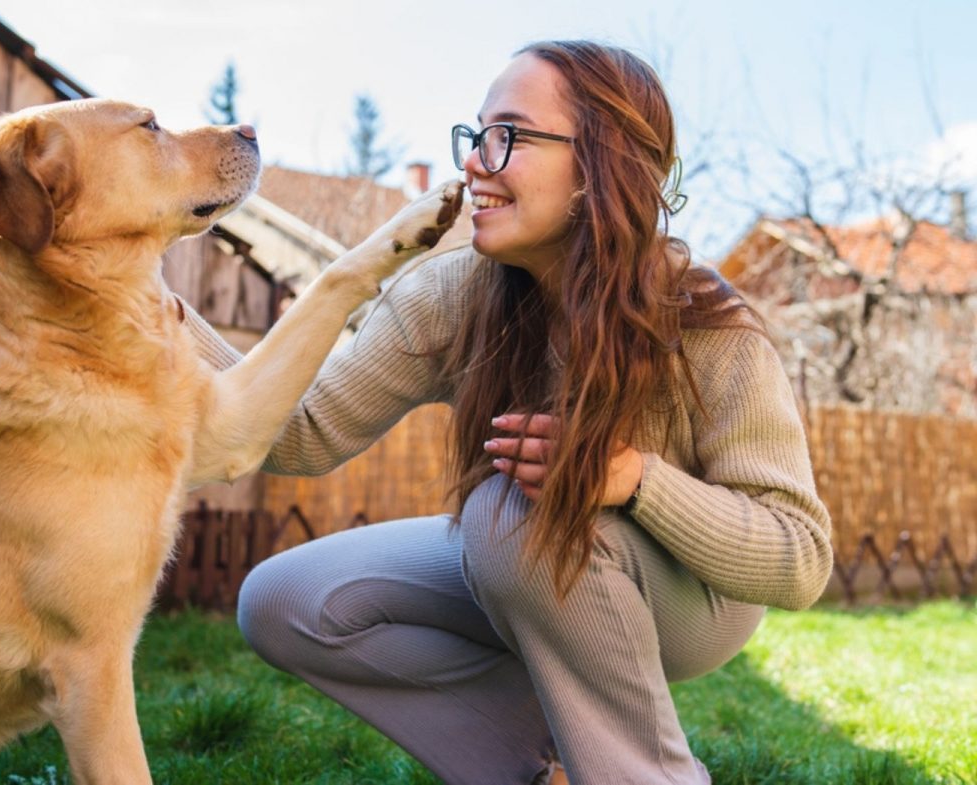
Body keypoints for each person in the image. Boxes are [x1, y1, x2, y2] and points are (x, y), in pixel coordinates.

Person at [186, 40, 833, 784]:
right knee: (287, 600)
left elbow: (800, 556)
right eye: (476, 135)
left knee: (506, 514)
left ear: (599, 168)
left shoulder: (700, 321)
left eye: (509, 137)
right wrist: (153, 307)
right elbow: (299, 432)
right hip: (529, 550)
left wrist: (633, 480)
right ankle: (543, 765)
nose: (474, 162)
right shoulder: (453, 296)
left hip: (693, 595)